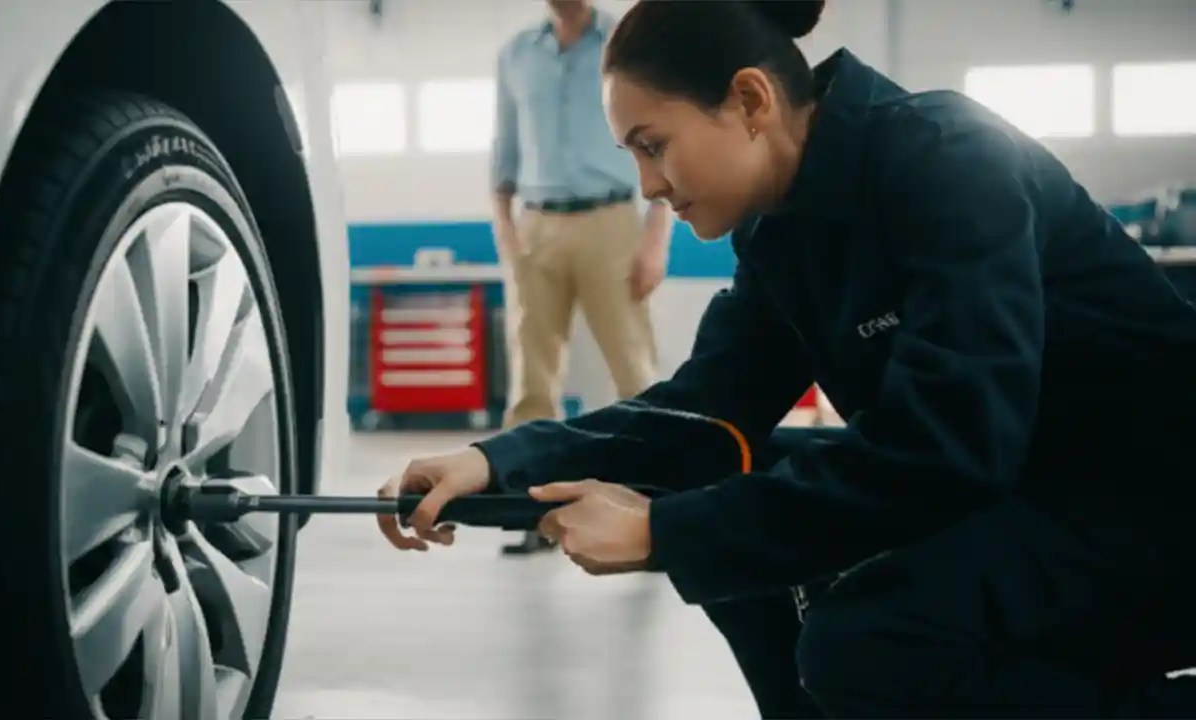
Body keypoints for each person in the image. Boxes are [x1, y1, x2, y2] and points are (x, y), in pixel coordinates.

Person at [379, 0, 1196, 716]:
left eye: (653, 145)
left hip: (1149, 506)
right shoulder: (781, 231)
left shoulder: (948, 157)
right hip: (1032, 490)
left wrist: (665, 532)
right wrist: (496, 461)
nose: (647, 186)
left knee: (866, 642)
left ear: (750, 99)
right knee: (711, 470)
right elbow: (698, 414)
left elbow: (954, 444)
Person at [489, 0, 675, 555]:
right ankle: (529, 512)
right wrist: (508, 238)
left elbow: (658, 139)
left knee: (635, 372)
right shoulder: (516, 55)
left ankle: (652, 512)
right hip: (535, 227)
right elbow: (503, 155)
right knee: (531, 382)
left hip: (613, 222)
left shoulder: (625, 41)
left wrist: (655, 239)